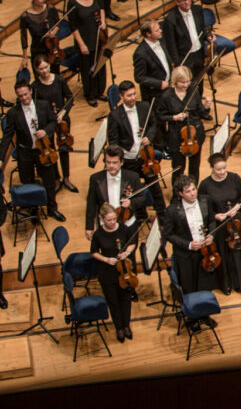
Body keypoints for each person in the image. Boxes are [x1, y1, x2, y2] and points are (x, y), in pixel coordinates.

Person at [1, 80, 63, 220]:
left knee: (49, 181)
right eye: (20, 96)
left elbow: (53, 122)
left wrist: (46, 131)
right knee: (27, 181)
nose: (24, 98)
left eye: (25, 94)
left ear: (30, 91)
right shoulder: (13, 113)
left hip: (44, 151)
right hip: (25, 152)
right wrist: (0, 157)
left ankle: (52, 209)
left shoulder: (43, 105)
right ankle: (33, 209)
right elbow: (7, 137)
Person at [107, 80, 165, 211]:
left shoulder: (144, 106)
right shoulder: (115, 116)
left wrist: (149, 137)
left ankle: (162, 214)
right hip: (128, 161)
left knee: (155, 188)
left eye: (134, 94)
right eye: (129, 95)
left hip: (146, 158)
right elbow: (114, 142)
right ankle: (140, 215)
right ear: (121, 97)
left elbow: (153, 124)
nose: (133, 98)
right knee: (133, 192)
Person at [199, 153, 241, 295]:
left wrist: (237, 207)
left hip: (235, 222)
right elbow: (203, 207)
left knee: (237, 249)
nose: (222, 172)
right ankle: (226, 283)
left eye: (224, 168)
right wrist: (215, 215)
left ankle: (240, 282)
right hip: (219, 224)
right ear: (211, 168)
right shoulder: (205, 185)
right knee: (222, 251)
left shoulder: (234, 178)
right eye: (218, 170)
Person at [161, 175, 217, 294]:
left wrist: (211, 235)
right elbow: (168, 234)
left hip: (205, 251)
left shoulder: (205, 200)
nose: (193, 193)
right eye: (188, 191)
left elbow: (212, 220)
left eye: (194, 189)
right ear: (180, 193)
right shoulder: (172, 210)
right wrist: (189, 245)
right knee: (188, 286)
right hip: (185, 255)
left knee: (205, 284)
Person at [90, 204, 138, 342]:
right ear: (102, 219)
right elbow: (93, 252)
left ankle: (126, 325)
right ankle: (119, 328)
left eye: (114, 219)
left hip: (124, 269)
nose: (112, 223)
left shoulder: (123, 229)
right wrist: (106, 259)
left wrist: (127, 252)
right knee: (113, 301)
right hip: (107, 271)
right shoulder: (98, 234)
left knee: (125, 299)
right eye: (109, 220)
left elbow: (132, 242)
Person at [155, 67, 211, 183]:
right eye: (182, 82)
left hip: (195, 134)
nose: (186, 85)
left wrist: (206, 106)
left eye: (187, 81)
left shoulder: (193, 91)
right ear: (175, 81)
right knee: (178, 168)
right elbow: (159, 116)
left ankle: (192, 192)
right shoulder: (167, 96)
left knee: (194, 168)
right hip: (176, 136)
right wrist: (174, 117)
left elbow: (201, 112)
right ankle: (177, 195)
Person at [31, 55, 76, 192]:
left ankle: (66, 178)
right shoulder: (35, 86)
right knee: (50, 149)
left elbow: (70, 98)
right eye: (41, 69)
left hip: (62, 120)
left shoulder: (59, 79)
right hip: (47, 124)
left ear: (49, 66)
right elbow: (35, 106)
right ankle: (56, 178)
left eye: (46, 67)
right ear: (36, 70)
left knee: (64, 148)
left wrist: (63, 112)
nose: (44, 71)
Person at [66, 0, 108, 106]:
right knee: (88, 68)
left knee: (100, 65)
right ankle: (90, 94)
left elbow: (101, 8)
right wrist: (82, 45)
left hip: (98, 37)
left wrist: (103, 21)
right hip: (84, 39)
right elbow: (73, 27)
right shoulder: (72, 2)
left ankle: (100, 91)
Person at [85, 146, 143, 239]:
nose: (111, 166)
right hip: (105, 226)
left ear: (122, 162)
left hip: (127, 224)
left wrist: (131, 203)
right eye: (108, 162)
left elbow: (141, 197)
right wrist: (89, 226)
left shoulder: (132, 177)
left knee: (130, 252)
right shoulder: (95, 179)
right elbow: (91, 204)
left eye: (115, 162)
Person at [162, 0, 213, 91]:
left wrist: (208, 35)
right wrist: (177, 64)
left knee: (200, 82)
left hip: (198, 53)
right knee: (188, 86)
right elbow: (171, 45)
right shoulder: (170, 20)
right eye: (183, 0)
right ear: (176, 2)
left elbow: (202, 27)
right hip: (185, 57)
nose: (186, 2)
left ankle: (199, 106)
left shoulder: (197, 9)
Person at [19, 0, 61, 74]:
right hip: (37, 49)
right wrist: (25, 57)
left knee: (55, 76)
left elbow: (58, 23)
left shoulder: (50, 8)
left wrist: (54, 32)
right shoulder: (25, 17)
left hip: (52, 49)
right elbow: (24, 37)